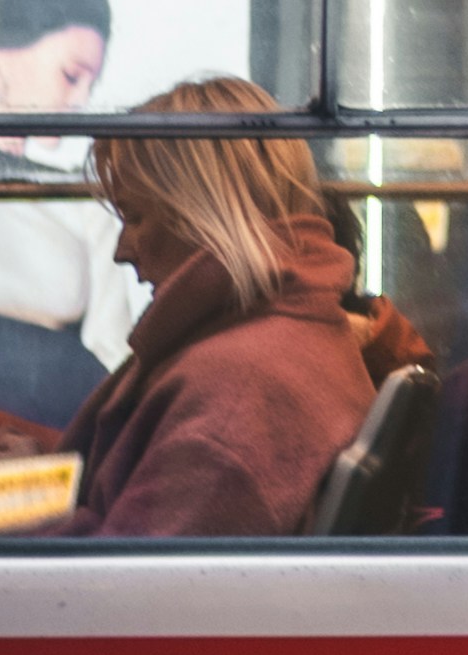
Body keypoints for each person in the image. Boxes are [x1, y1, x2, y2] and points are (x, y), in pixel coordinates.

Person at [66, 79, 379, 543]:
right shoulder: (271, 338)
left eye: (135, 218)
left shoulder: (235, 395)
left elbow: (127, 589)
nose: (122, 251)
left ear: (201, 215)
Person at [0, 0, 115, 423]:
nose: (79, 102)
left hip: (51, 416)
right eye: (71, 76)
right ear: (6, 52)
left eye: (89, 86)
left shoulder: (85, 202)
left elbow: (110, 346)